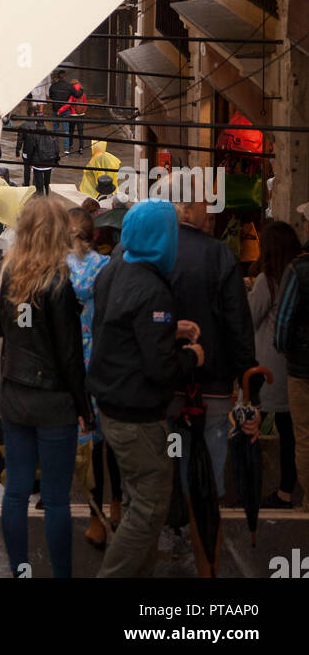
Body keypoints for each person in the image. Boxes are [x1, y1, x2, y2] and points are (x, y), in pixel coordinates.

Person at [87, 198, 205, 579]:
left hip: (112, 404)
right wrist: (192, 358)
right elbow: (159, 369)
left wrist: (170, 328)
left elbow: (125, 329)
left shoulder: (115, 267)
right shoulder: (153, 289)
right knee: (149, 507)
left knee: (141, 501)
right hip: (137, 414)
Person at [0, 195, 90, 579]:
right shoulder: (59, 283)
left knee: (16, 490)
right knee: (56, 498)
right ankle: (61, 574)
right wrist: (85, 409)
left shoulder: (6, 275)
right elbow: (69, 356)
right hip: (54, 400)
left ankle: (20, 570)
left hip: (14, 393)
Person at [164, 195, 257, 549]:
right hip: (213, 386)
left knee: (171, 454)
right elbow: (238, 324)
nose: (213, 213)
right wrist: (248, 385)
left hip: (165, 382)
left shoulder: (157, 254)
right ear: (191, 211)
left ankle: (174, 523)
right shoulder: (220, 255)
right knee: (209, 464)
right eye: (207, 206)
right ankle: (205, 542)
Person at [65, 208, 121, 549]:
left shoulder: (57, 270)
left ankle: (95, 519)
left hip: (73, 366)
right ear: (94, 234)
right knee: (110, 441)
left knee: (88, 446)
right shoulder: (106, 268)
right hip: (104, 360)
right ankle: (117, 507)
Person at [249, 221, 301, 507]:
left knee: (251, 424)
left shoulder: (267, 280)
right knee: (291, 430)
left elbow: (249, 316)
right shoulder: (296, 277)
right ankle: (287, 489)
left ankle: (255, 487)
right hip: (292, 366)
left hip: (267, 368)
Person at [273, 208, 309, 512]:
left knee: (304, 436)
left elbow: (283, 324)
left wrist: (284, 348)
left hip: (303, 369)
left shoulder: (298, 270)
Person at [48, 69, 72, 155]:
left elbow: (50, 96)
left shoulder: (53, 86)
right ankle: (66, 149)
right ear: (65, 77)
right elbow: (76, 94)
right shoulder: (69, 86)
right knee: (66, 131)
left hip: (55, 110)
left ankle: (55, 148)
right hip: (65, 110)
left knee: (55, 130)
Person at [63, 78, 87, 155]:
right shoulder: (82, 93)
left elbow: (69, 103)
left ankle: (70, 146)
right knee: (80, 132)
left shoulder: (71, 92)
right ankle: (81, 148)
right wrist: (83, 111)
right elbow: (85, 103)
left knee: (71, 131)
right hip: (81, 115)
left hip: (72, 115)